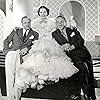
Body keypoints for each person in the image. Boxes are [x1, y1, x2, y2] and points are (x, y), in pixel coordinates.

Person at [14, 6, 79, 100]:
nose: (43, 14)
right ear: (39, 13)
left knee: (53, 59)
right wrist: (18, 28)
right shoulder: (35, 22)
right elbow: (27, 27)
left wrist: (70, 26)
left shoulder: (52, 22)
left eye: (45, 12)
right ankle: (39, 81)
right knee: (37, 58)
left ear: (47, 13)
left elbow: (60, 26)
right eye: (41, 12)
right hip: (39, 41)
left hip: (50, 41)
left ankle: (49, 81)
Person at [52, 15, 96, 100]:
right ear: (56, 24)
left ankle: (88, 93)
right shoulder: (54, 34)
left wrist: (72, 46)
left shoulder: (72, 29)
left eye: (61, 22)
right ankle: (79, 93)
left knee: (85, 69)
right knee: (77, 69)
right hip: (69, 56)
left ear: (65, 22)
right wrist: (63, 47)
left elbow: (81, 41)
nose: (60, 24)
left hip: (80, 53)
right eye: (58, 22)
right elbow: (56, 46)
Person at [3, 16, 39, 99]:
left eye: (28, 22)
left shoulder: (35, 34)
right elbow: (6, 41)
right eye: (25, 22)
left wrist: (27, 48)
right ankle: (10, 97)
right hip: (12, 54)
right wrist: (7, 51)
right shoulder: (16, 31)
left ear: (30, 23)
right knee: (9, 76)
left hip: (23, 57)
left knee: (19, 77)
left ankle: (17, 97)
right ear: (22, 23)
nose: (27, 24)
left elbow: (35, 45)